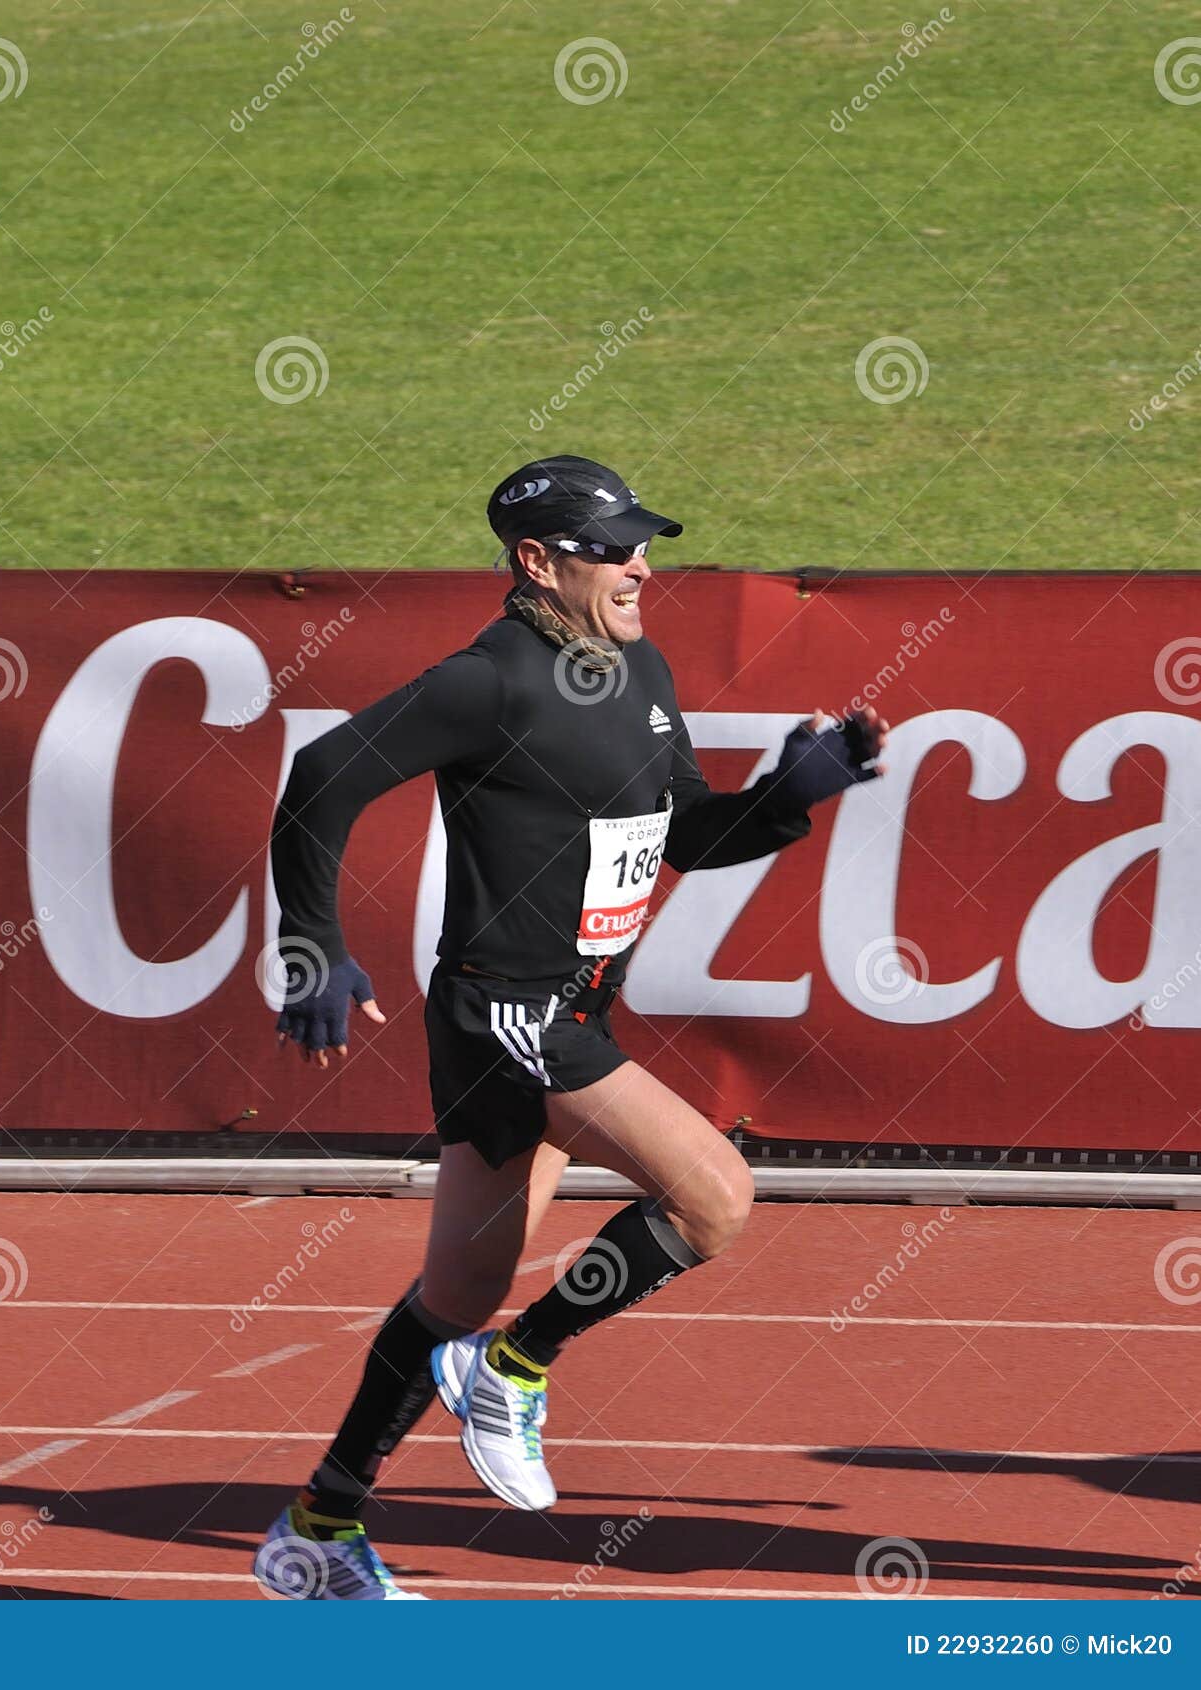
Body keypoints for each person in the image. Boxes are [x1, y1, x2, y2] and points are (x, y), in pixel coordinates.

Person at [255, 455, 888, 1600]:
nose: (642, 563)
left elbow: (686, 831)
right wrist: (310, 943)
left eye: (644, 542)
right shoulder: (488, 680)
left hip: (564, 1010)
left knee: (453, 1291)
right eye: (614, 548)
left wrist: (794, 789)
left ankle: (316, 1525)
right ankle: (515, 1366)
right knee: (714, 1193)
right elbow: (321, 774)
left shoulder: (639, 666)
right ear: (537, 562)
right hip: (509, 1010)